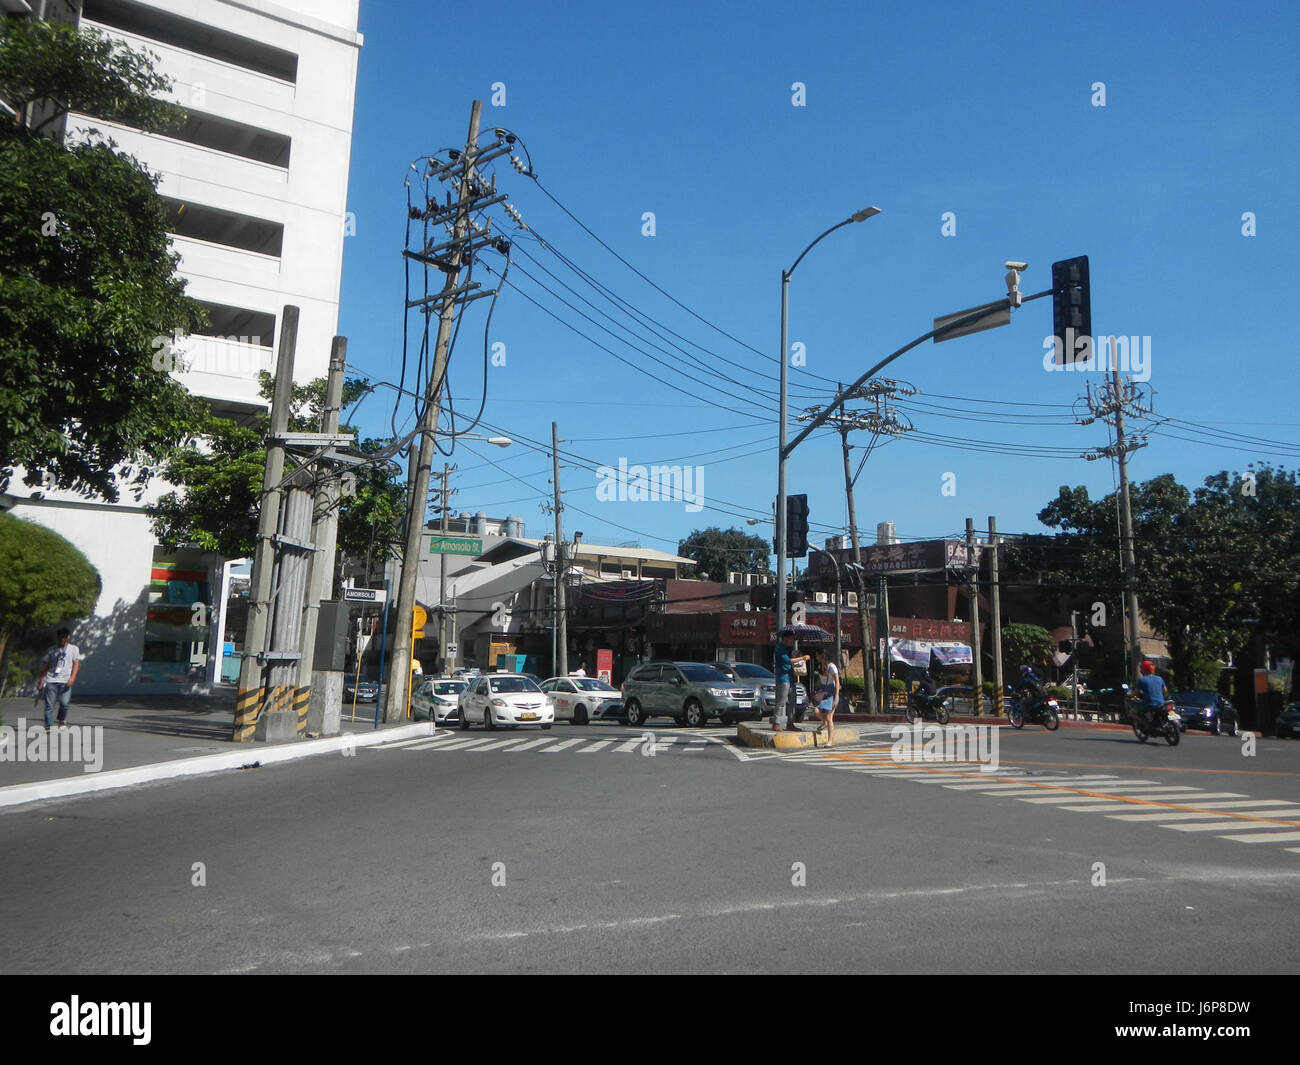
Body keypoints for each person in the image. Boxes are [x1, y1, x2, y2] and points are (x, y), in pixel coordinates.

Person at [37, 627, 81, 730]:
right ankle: (48, 726)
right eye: (60, 637)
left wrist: (72, 678)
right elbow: (45, 665)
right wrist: (41, 679)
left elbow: (75, 664)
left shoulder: (74, 649)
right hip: (51, 680)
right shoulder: (51, 650)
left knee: (64, 703)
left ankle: (61, 719)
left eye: (64, 637)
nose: (62, 639)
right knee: (49, 705)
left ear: (68, 637)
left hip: (65, 681)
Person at [772, 630, 811, 732]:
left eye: (793, 640)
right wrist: (801, 658)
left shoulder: (789, 649)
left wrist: (798, 656)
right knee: (781, 702)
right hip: (783, 678)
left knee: (792, 702)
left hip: (791, 678)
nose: (792, 641)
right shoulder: (779, 649)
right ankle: (776, 722)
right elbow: (788, 660)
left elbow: (793, 659)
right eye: (790, 639)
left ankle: (790, 723)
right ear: (785, 638)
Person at [811, 649, 840, 747]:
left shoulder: (832, 667)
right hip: (823, 693)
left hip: (831, 694)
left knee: (829, 717)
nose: (816, 658)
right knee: (816, 711)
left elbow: (837, 684)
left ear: (822, 656)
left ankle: (830, 741)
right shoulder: (820, 667)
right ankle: (825, 723)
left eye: (817, 656)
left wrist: (836, 698)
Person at [1136, 659, 1168, 727]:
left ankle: (1146, 725)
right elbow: (1165, 690)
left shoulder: (1142, 680)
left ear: (1143, 669)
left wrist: (1129, 695)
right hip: (1161, 703)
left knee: (1132, 713)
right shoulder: (1159, 678)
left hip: (1149, 704)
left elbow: (1136, 693)